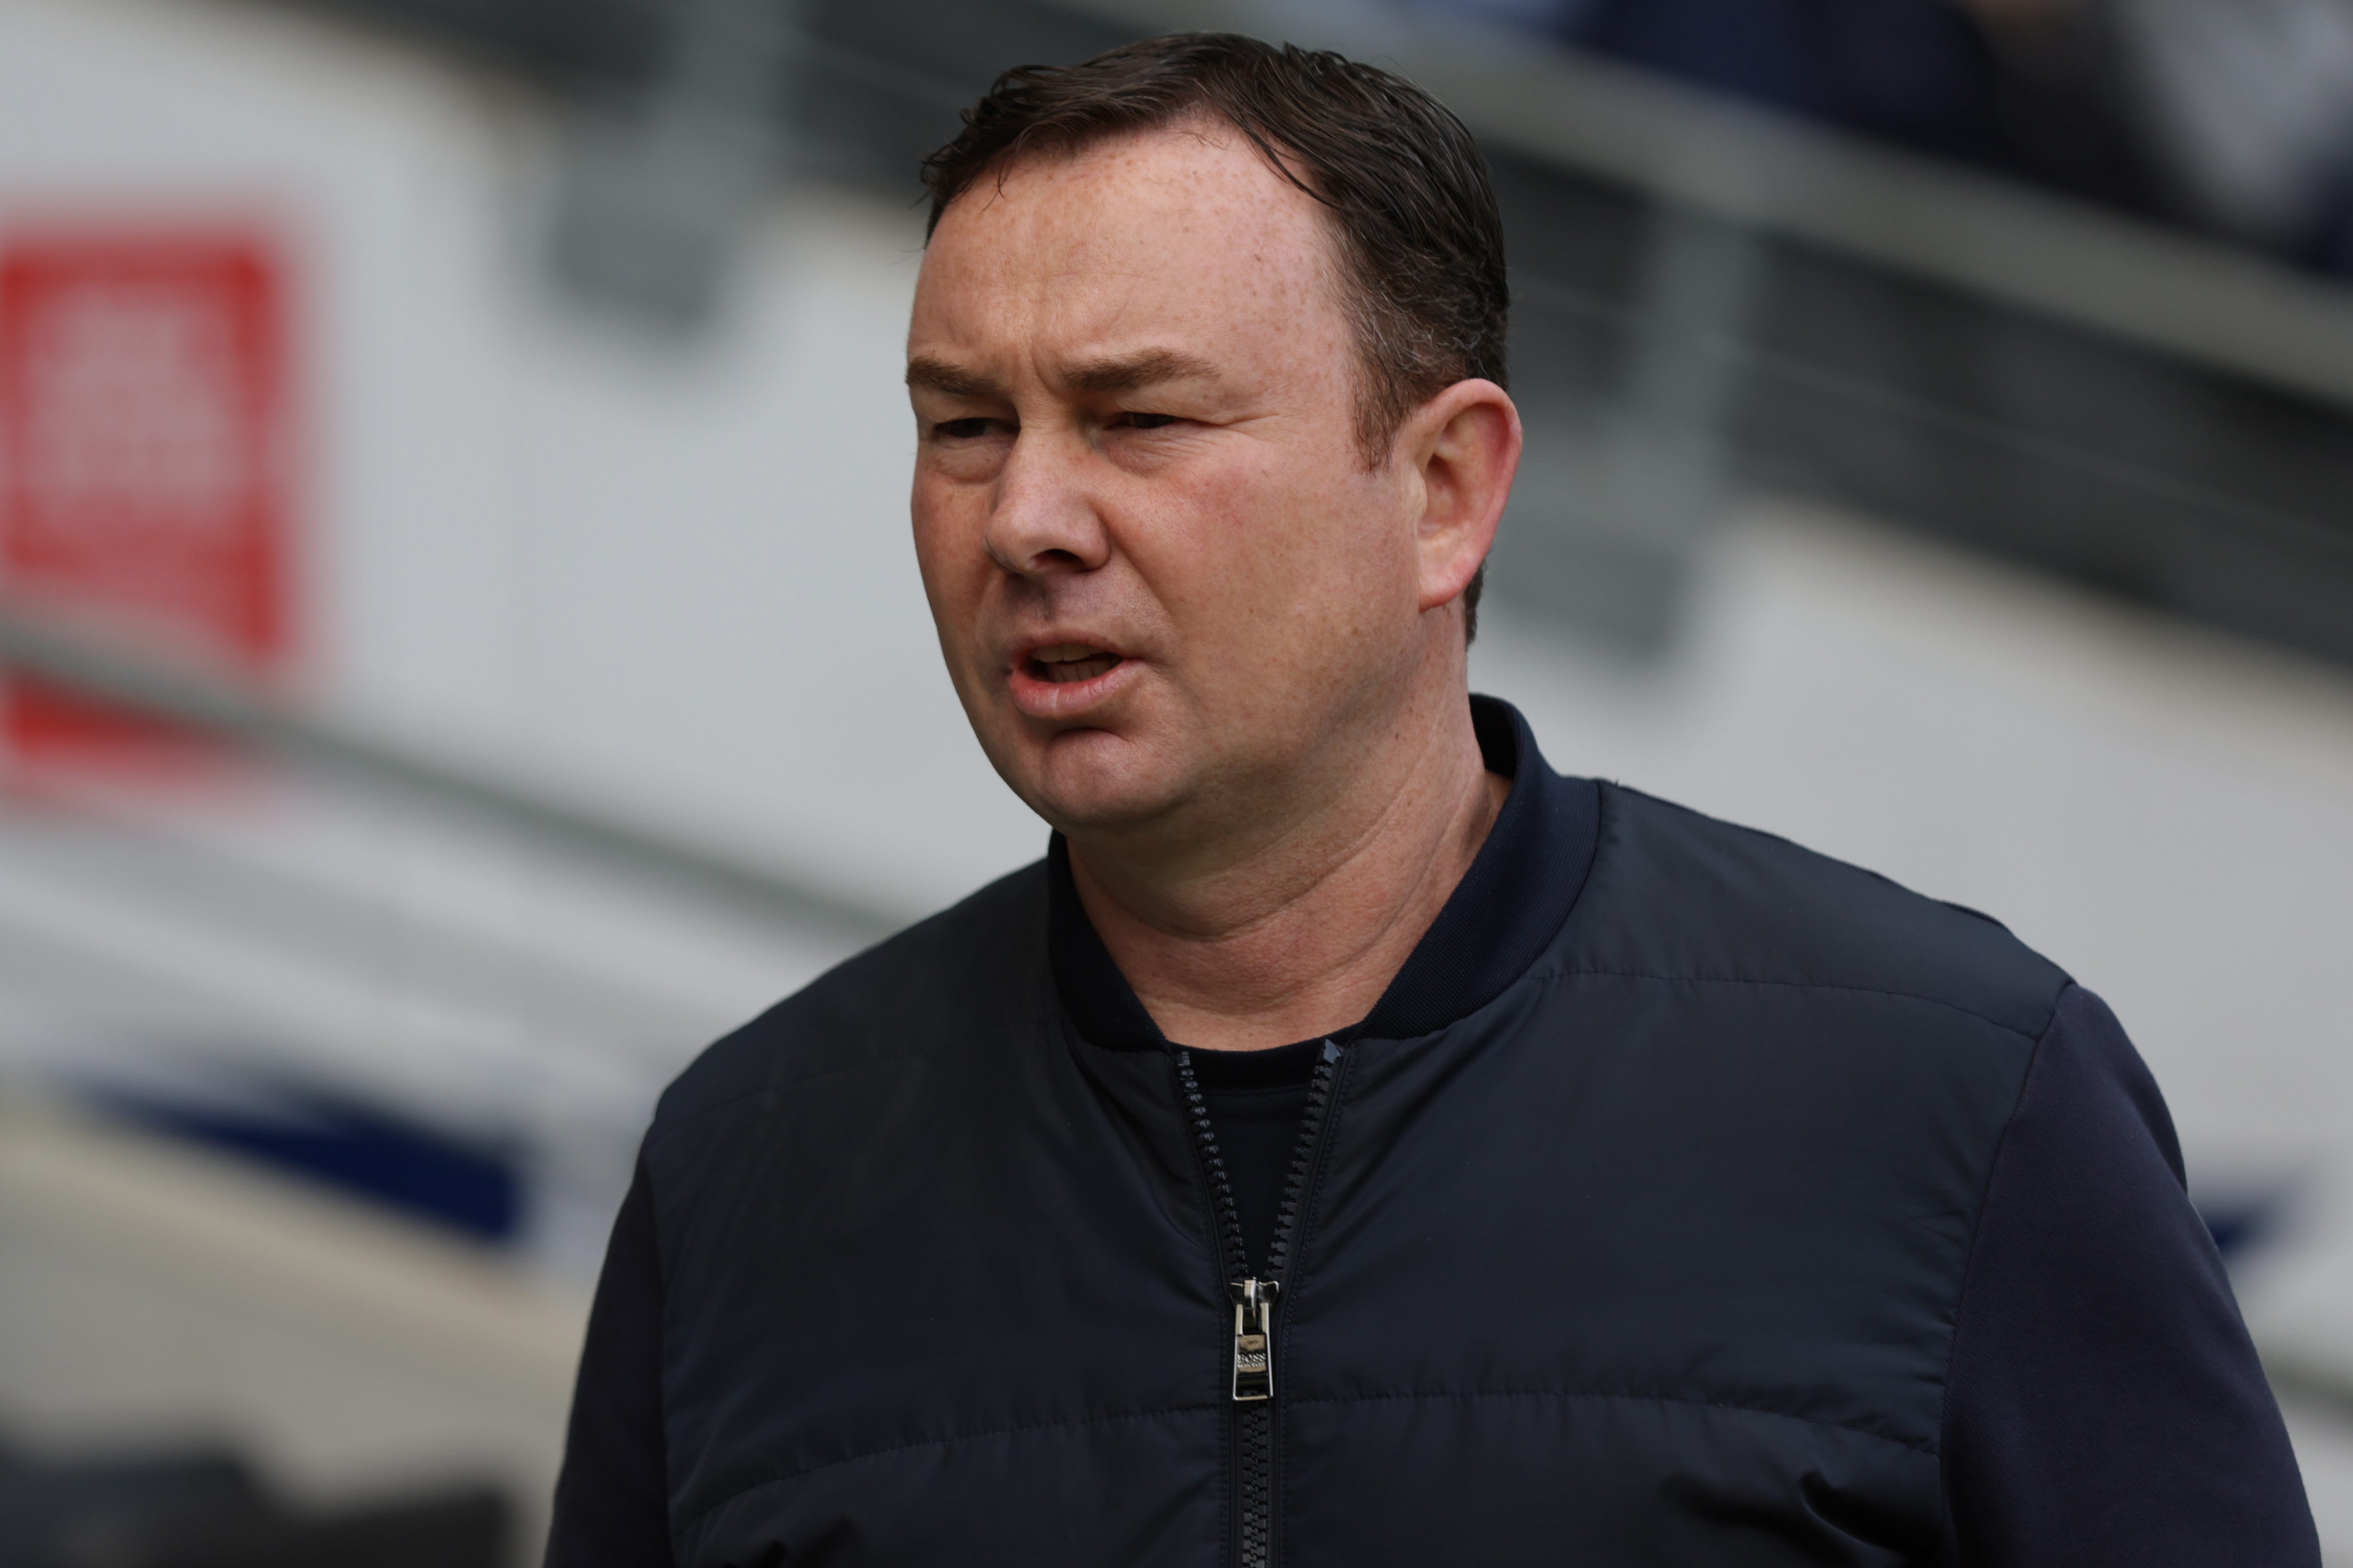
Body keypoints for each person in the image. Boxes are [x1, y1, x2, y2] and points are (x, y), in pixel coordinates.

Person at [546, 33, 2316, 1566]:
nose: (1026, 521)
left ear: (1447, 490)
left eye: (1140, 418)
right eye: (964, 426)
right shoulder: (744, 1175)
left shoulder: (1964, 1101)